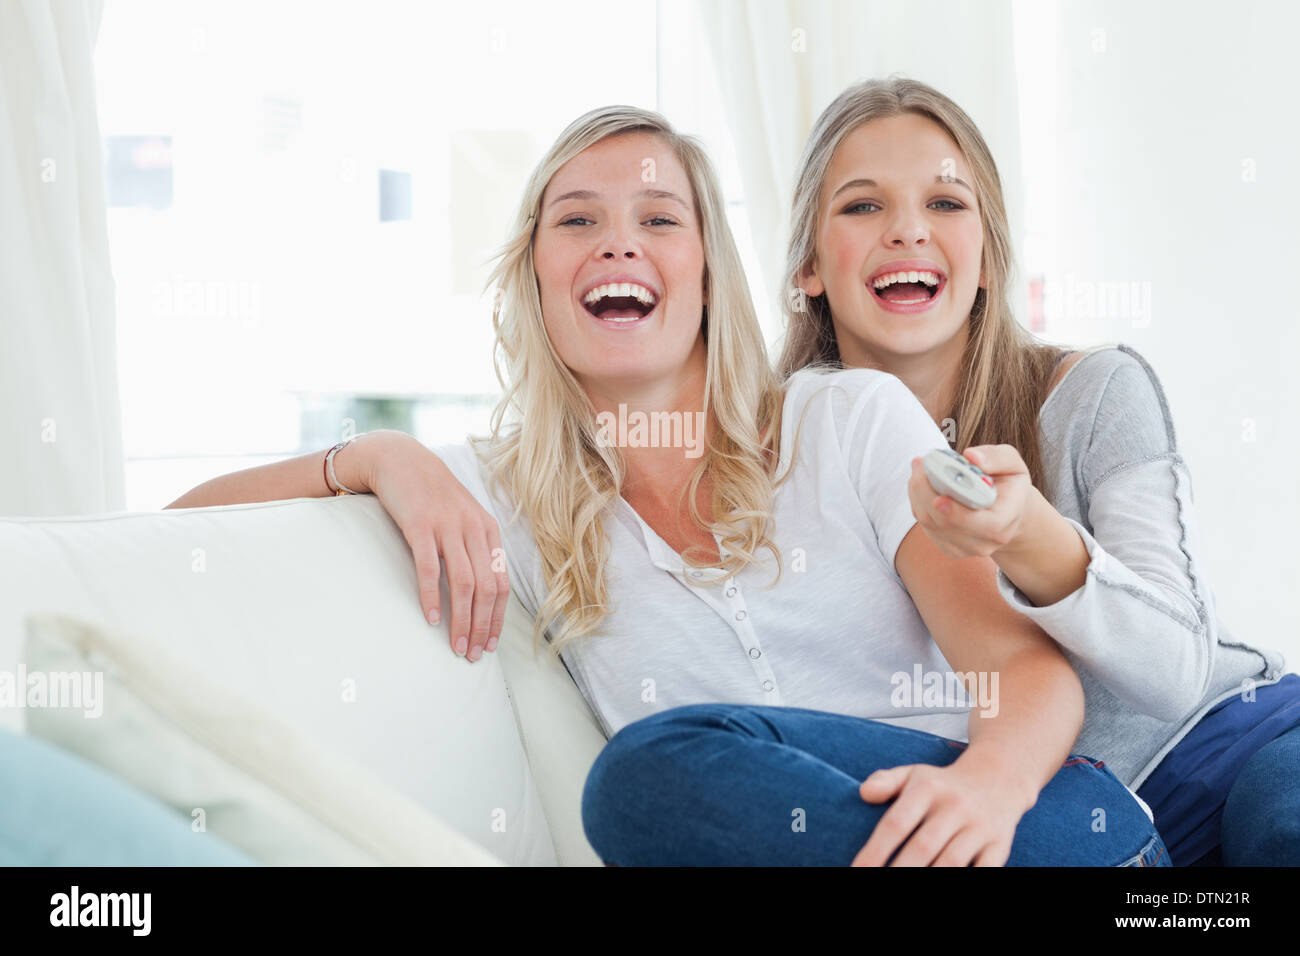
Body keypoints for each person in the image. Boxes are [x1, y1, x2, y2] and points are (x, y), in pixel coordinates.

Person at [169, 104, 1170, 867]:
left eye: (659, 217)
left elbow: (1025, 670)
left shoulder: (846, 420)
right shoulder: (505, 500)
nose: (619, 242)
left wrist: (989, 789)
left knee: (655, 765)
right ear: (534, 276)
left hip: (1035, 832)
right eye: (578, 220)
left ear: (703, 276)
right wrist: (376, 457)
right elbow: (180, 529)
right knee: (648, 784)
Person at [778, 75, 1299, 866]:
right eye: (862, 205)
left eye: (947, 204)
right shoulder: (790, 448)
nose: (908, 230)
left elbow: (1175, 672)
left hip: (1232, 745)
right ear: (808, 266)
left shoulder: (1094, 392)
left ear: (987, 257)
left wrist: (1027, 535)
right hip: (1082, 830)